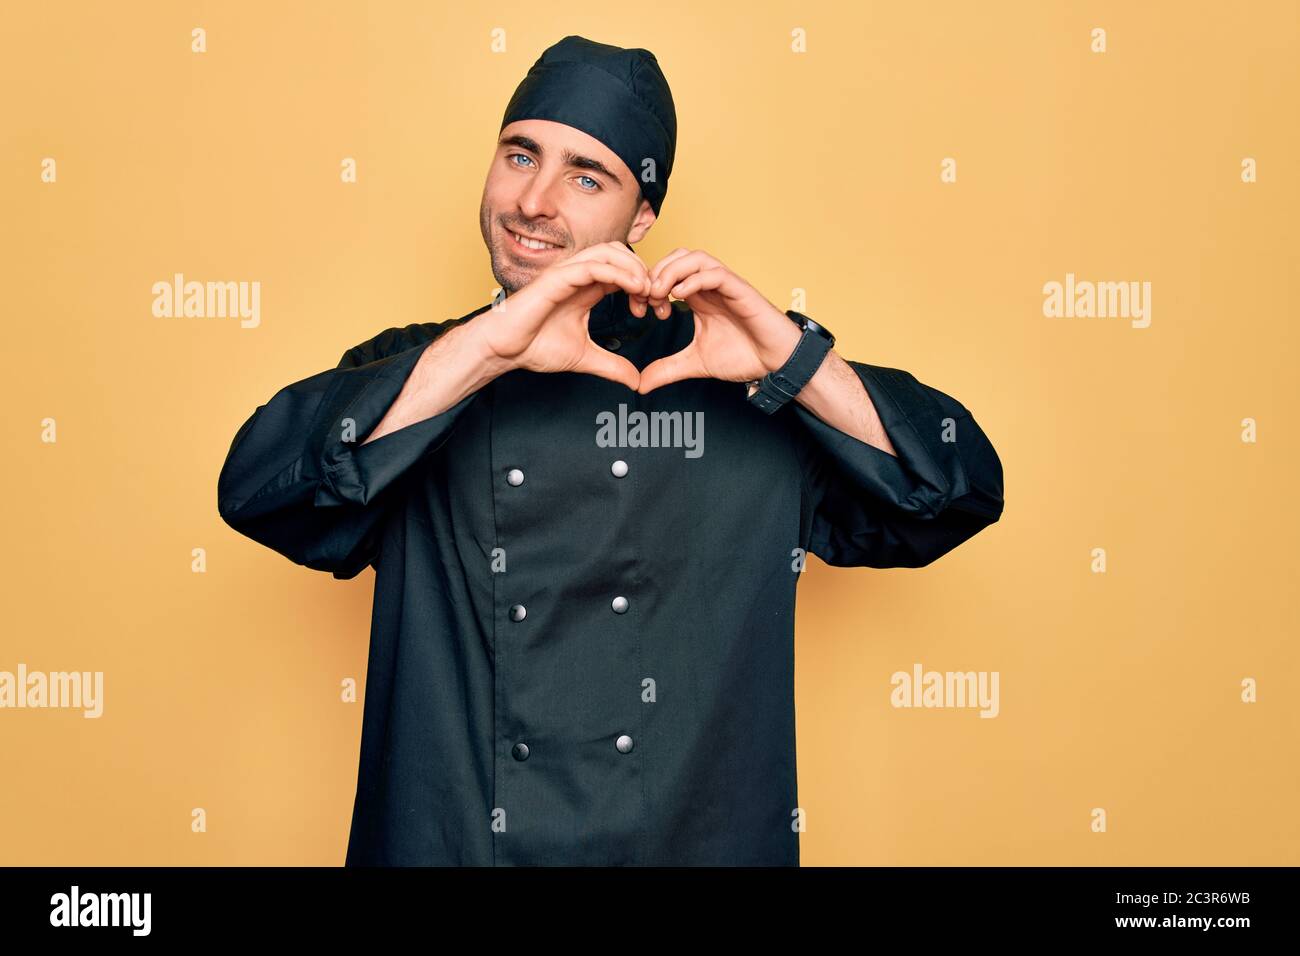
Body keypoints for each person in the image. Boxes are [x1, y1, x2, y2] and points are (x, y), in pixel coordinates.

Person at [217, 34, 1005, 866]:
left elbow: (950, 490)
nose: (534, 200)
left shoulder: (745, 383)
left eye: (587, 176)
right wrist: (488, 348)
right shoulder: (425, 370)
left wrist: (793, 362)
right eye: (520, 155)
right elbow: (261, 490)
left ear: (642, 216)